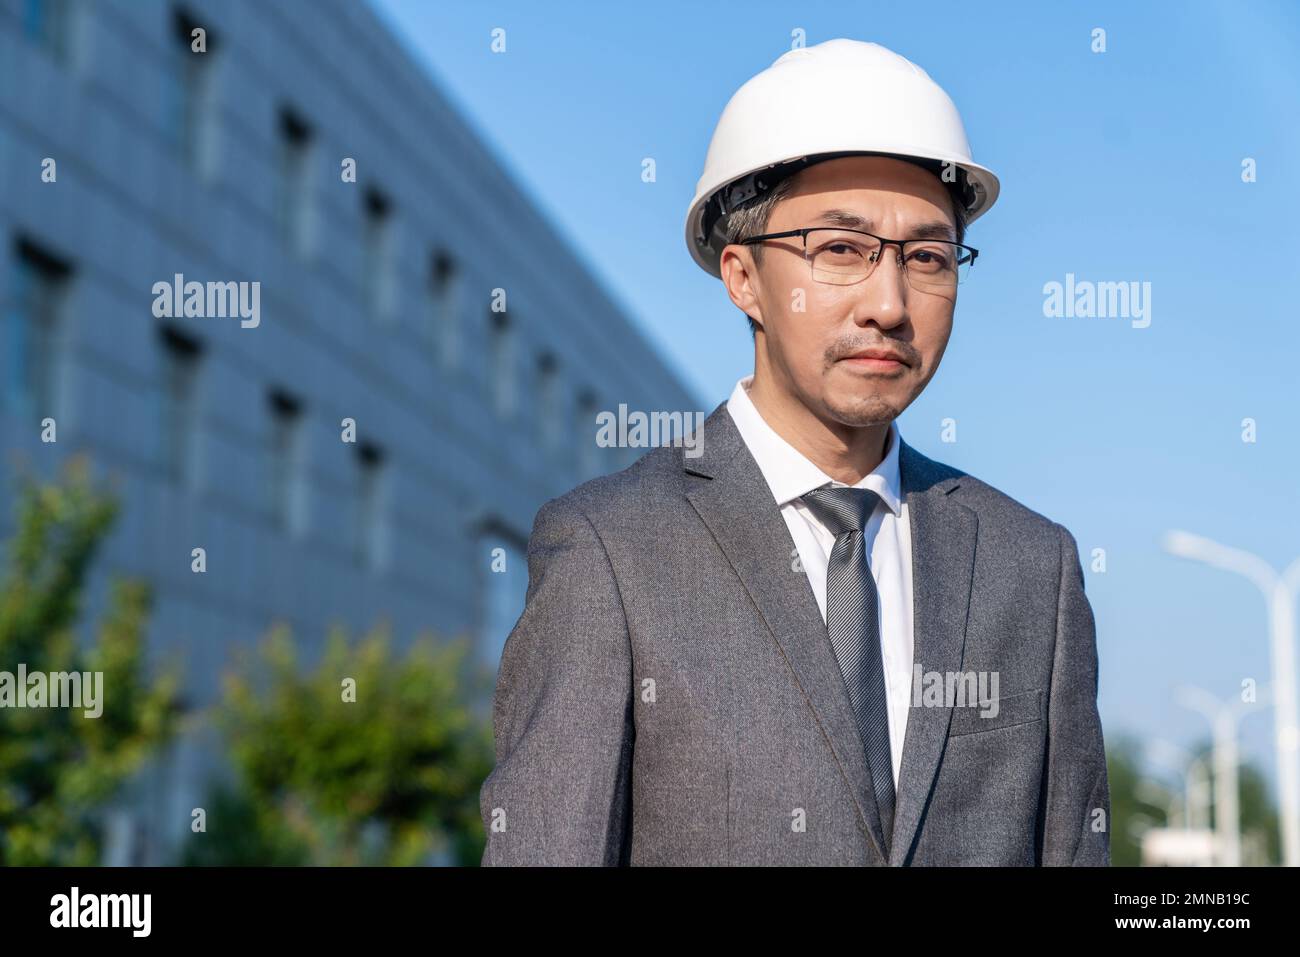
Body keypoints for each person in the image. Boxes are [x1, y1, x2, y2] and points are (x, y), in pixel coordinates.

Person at [480, 38, 1109, 866]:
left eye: (927, 256)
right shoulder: (611, 551)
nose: (889, 303)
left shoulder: (1034, 567)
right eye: (840, 249)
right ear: (742, 277)